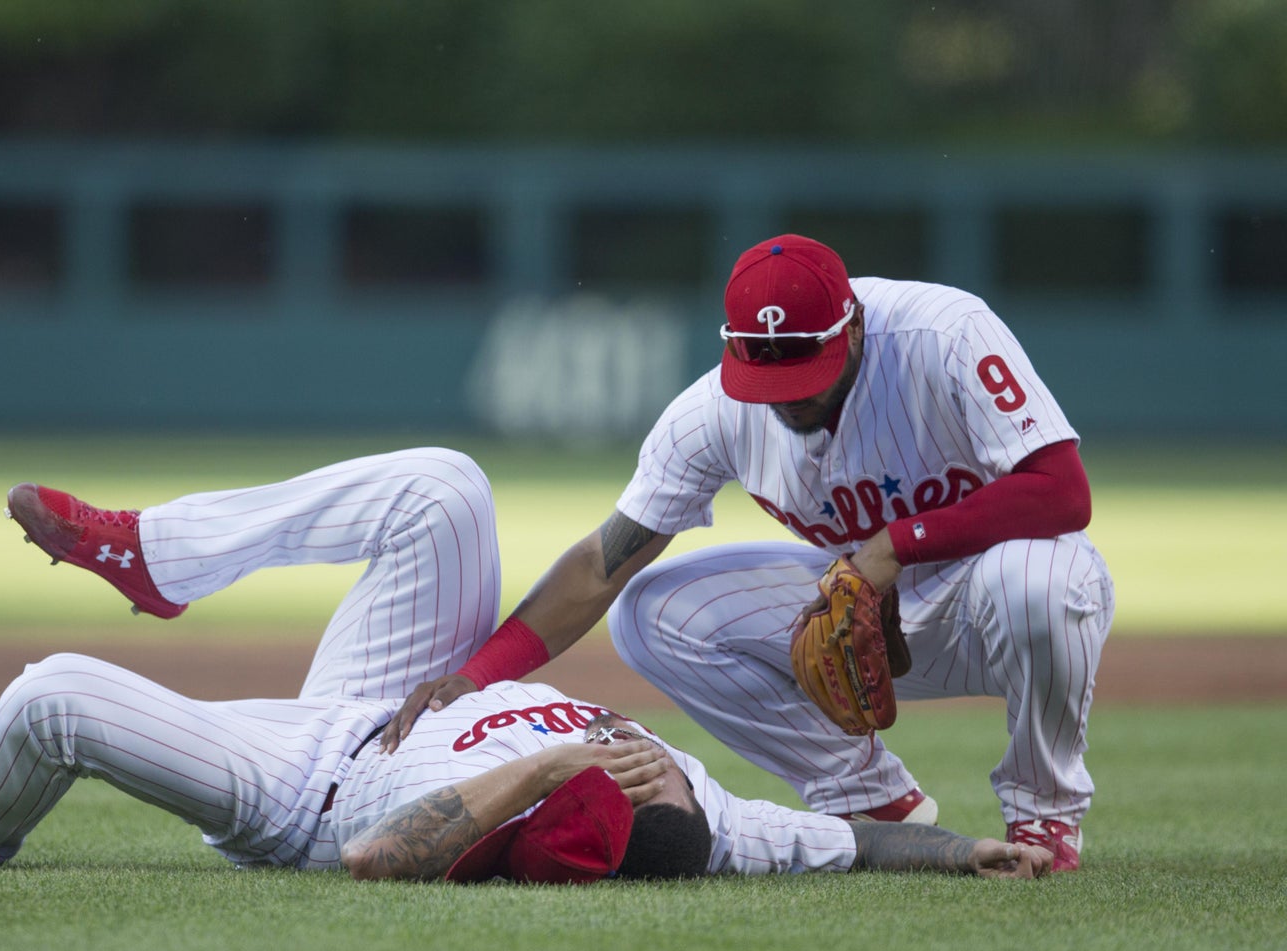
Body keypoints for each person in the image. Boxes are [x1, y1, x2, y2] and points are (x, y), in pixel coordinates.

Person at [0, 448, 1051, 881]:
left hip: (306, 785)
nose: (644, 767)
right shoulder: (716, 822)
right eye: (651, 778)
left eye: (625, 785)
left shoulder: (539, 807)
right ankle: (157, 554)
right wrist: (967, 850)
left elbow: (377, 859)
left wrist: (544, 767)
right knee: (444, 487)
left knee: (51, 692)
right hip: (403, 691)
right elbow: (849, 842)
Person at [388, 235, 1116, 873]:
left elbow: (1062, 491)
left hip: (992, 605)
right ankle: (869, 798)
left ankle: (1043, 810)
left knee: (1039, 582)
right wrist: (476, 675)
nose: (786, 396)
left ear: (853, 326)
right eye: (763, 369)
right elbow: (600, 567)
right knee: (649, 612)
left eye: (802, 367)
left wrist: (896, 545)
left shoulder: (945, 332)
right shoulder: (711, 414)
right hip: (863, 606)